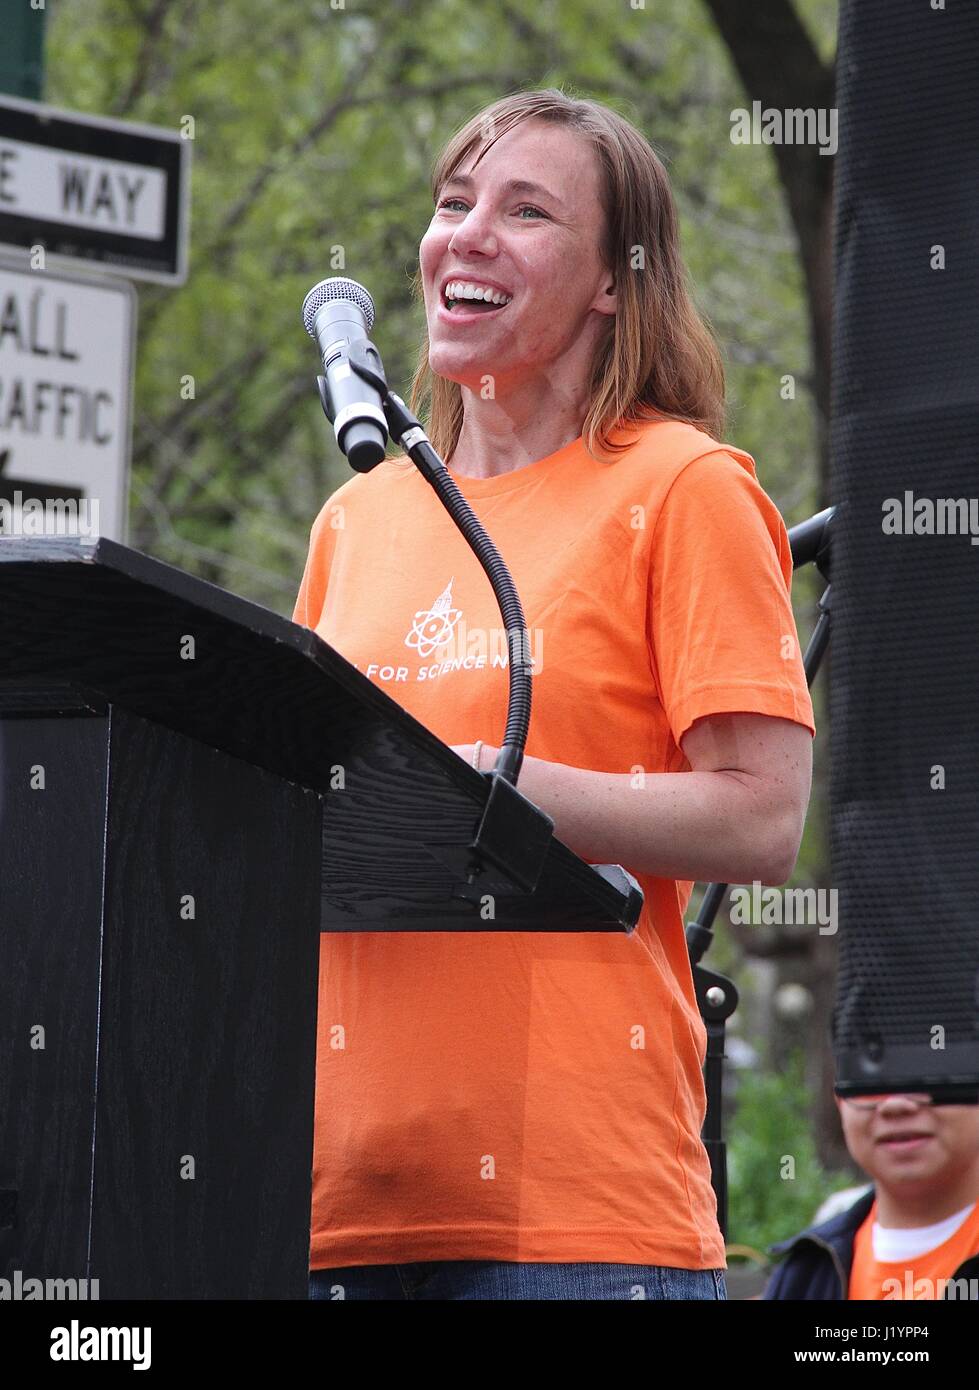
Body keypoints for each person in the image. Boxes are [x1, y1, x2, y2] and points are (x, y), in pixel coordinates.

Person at [294, 87, 815, 1301]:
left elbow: (758, 818)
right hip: (336, 1212)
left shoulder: (684, 486)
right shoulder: (357, 520)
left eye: (524, 212)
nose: (466, 234)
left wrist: (512, 790)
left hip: (575, 1223)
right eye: (452, 203)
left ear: (612, 283)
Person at [764, 1092, 979, 1299]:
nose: (895, 1104)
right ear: (840, 1099)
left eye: (929, 1068)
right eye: (869, 1071)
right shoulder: (804, 1277)